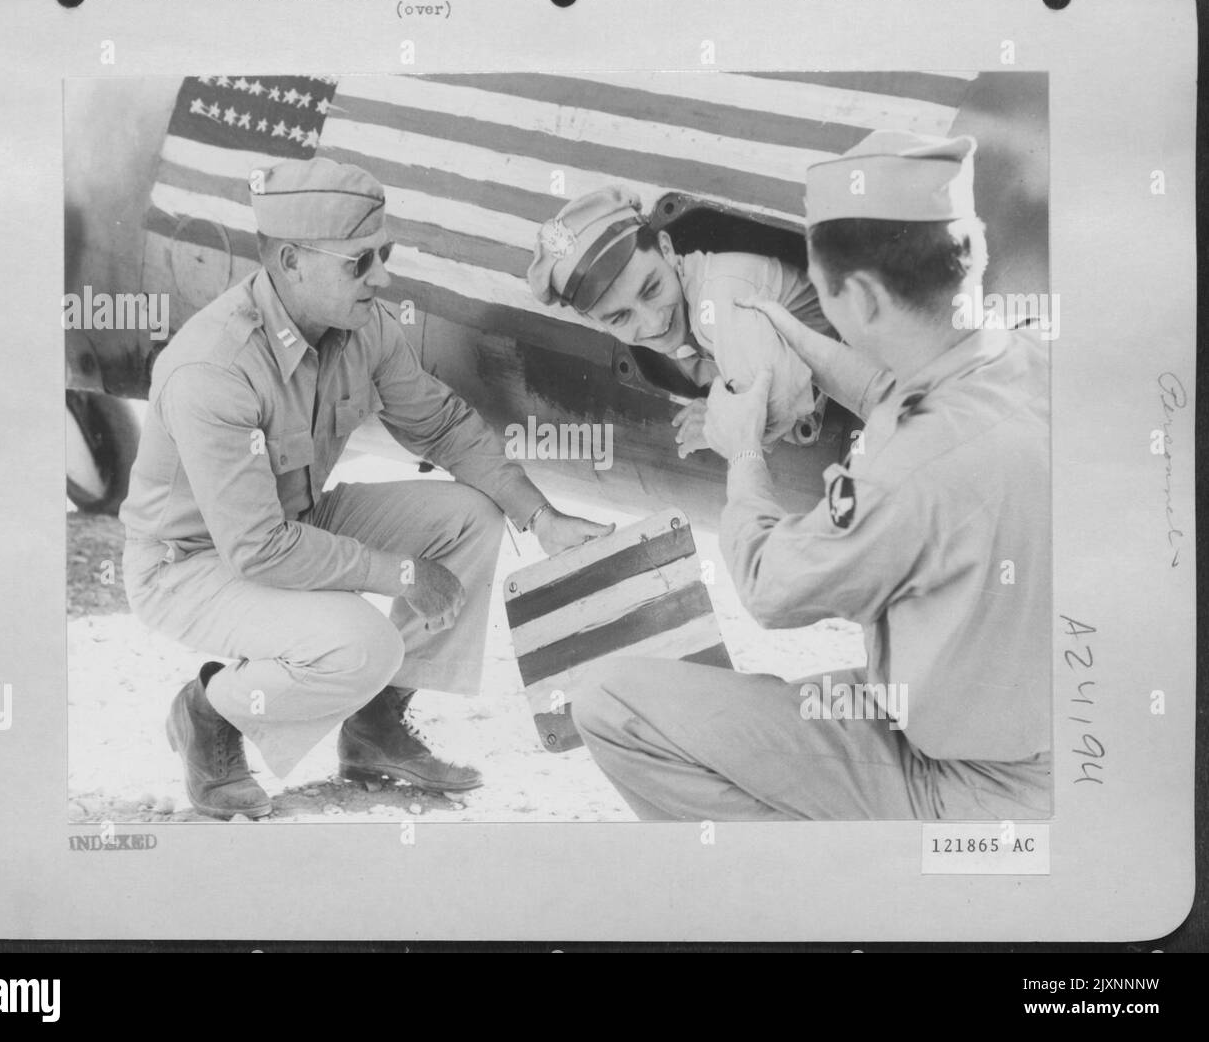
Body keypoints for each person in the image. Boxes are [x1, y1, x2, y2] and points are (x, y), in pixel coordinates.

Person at [570, 131, 1051, 821]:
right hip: (1042, 752)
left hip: (964, 789)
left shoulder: (900, 472)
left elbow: (771, 588)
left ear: (853, 293)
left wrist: (742, 455)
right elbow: (910, 396)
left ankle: (819, 895)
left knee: (610, 704)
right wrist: (800, 338)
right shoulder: (1028, 357)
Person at [120, 157, 611, 819]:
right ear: (291, 261)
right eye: (359, 262)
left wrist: (542, 517)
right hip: (190, 562)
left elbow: (441, 425)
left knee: (472, 515)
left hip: (298, 519)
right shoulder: (214, 368)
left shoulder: (361, 323)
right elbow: (258, 549)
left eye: (382, 254)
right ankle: (209, 712)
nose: (380, 277)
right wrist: (401, 573)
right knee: (363, 644)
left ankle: (376, 727)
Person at [526, 186, 838, 460]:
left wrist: (720, 426)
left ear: (666, 249)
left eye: (651, 288)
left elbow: (783, 400)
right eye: (620, 317)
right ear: (594, 322)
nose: (654, 321)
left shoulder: (718, 295)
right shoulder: (682, 317)